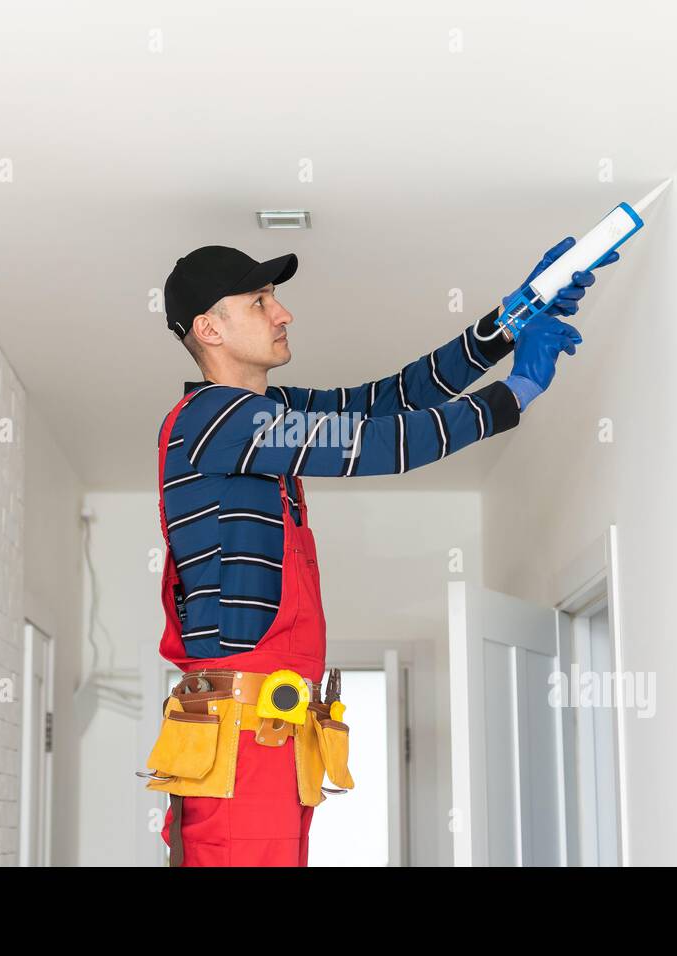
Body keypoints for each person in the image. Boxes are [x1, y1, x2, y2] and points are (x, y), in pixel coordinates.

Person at [140, 239, 617, 866]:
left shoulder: (264, 416)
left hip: (267, 732)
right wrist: (516, 393)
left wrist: (517, 315)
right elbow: (374, 442)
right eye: (260, 302)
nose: (283, 314)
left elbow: (392, 399)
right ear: (210, 328)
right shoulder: (213, 420)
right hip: (240, 740)